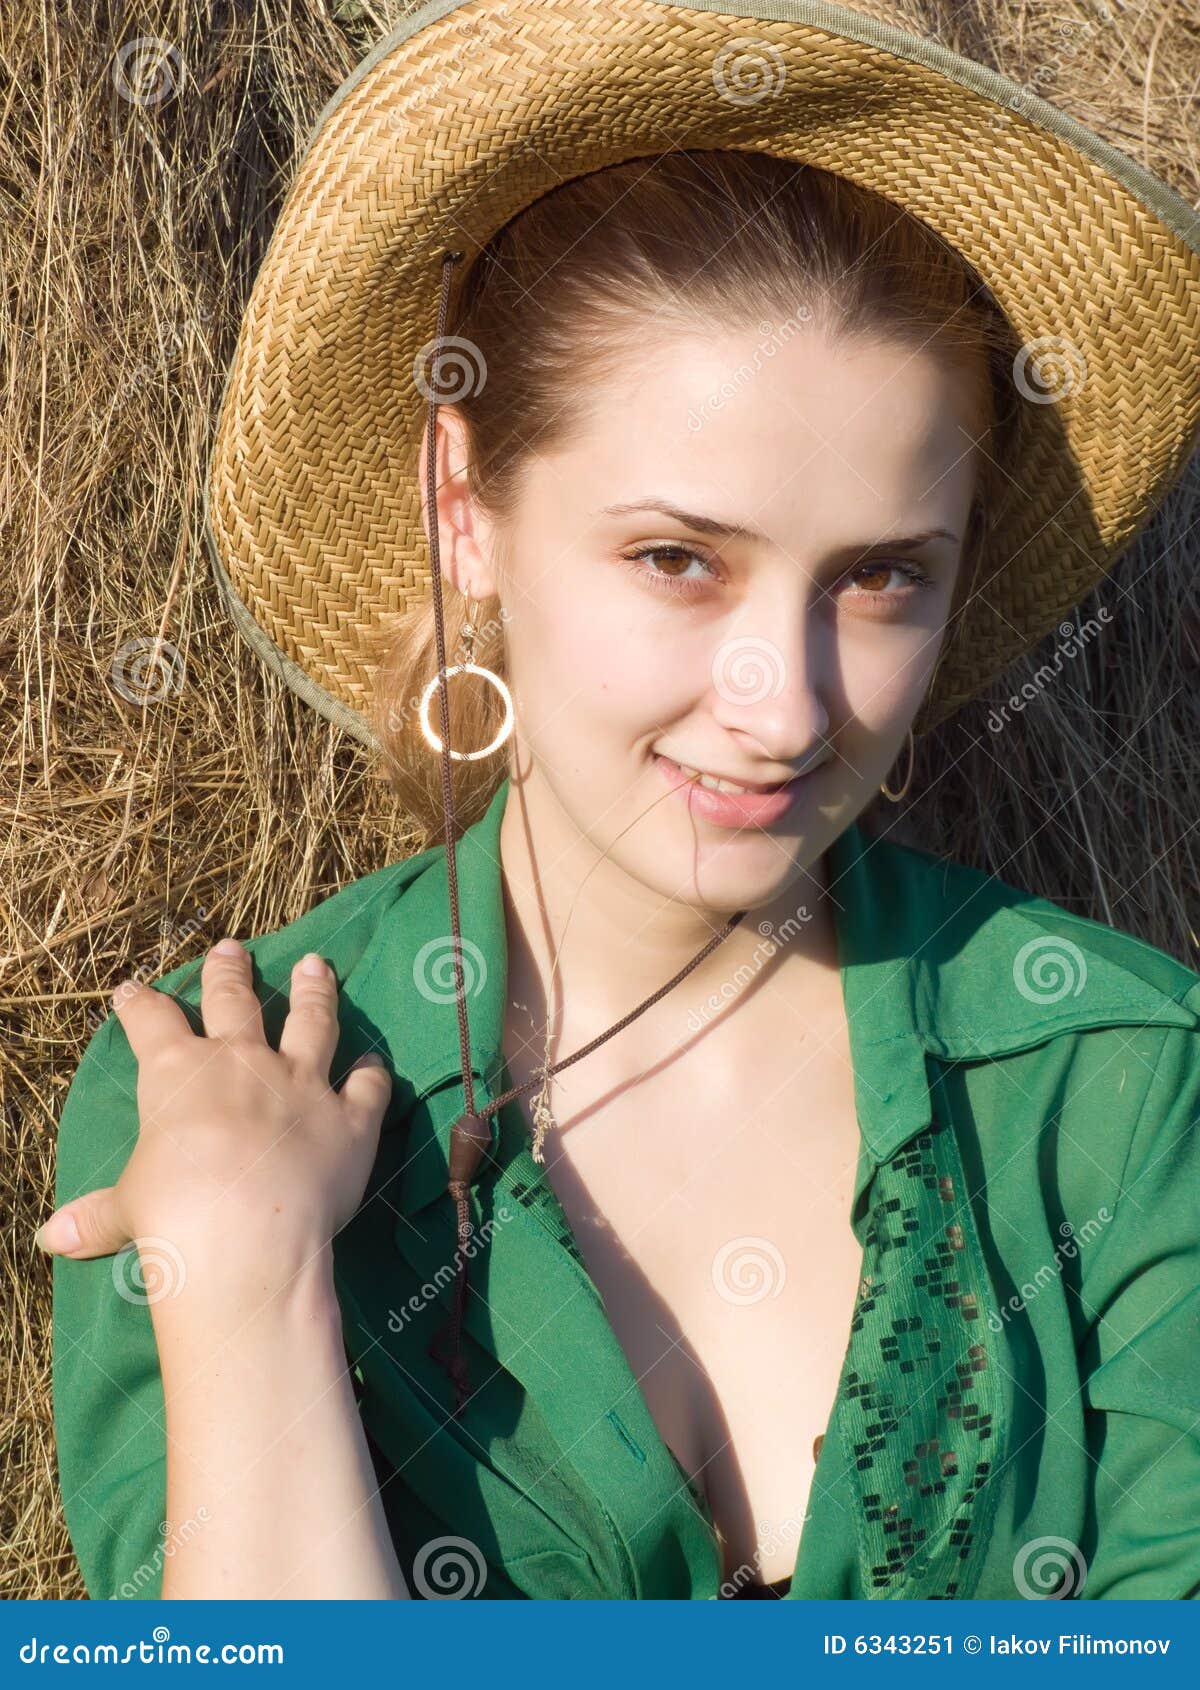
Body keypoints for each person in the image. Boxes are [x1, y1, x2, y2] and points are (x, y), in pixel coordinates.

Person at [44, 1, 1200, 1601]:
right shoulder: (204, 1099)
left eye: (877, 579)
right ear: (467, 510)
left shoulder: (1120, 1082)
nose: (785, 703)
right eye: (678, 558)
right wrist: (249, 1285)